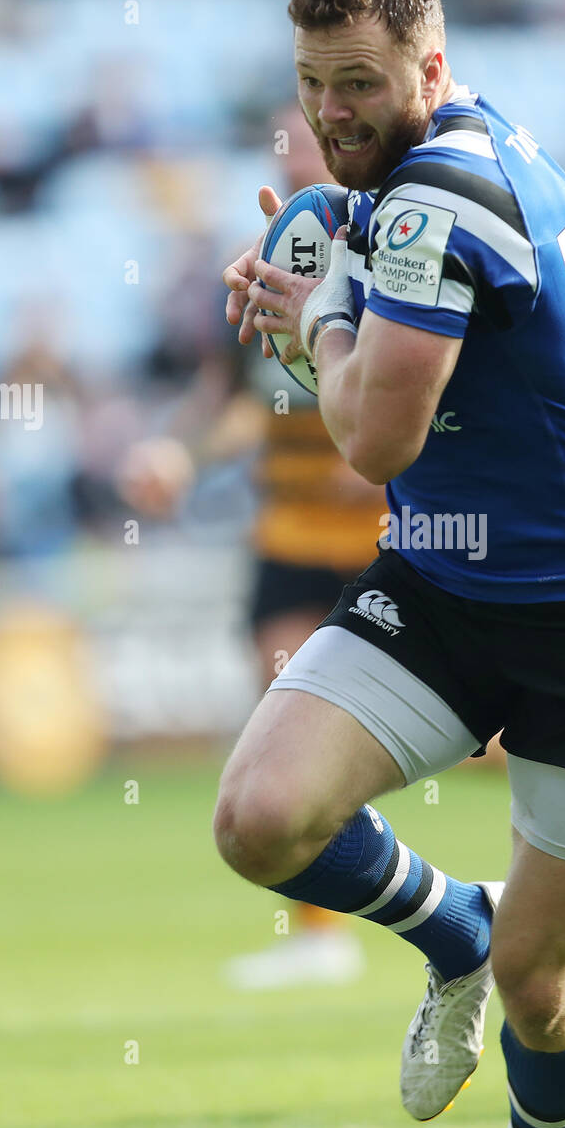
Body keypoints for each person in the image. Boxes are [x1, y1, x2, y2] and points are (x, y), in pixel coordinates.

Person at [216, 0, 565, 1128]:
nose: (332, 113)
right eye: (316, 83)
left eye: (360, 83)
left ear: (432, 67)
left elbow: (375, 437)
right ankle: (453, 922)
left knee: (547, 993)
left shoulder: (447, 193)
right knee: (261, 818)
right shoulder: (402, 181)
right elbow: (358, 298)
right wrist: (325, 264)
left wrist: (310, 315)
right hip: (438, 583)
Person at [122, 105, 386, 989]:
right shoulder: (258, 261)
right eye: (286, 138)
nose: (298, 149)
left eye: (310, 134)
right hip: (290, 531)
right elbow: (235, 397)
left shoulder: (401, 245)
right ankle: (319, 935)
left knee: (469, 740)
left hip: (391, 537)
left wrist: (384, 448)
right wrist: (180, 455)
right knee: (284, 710)